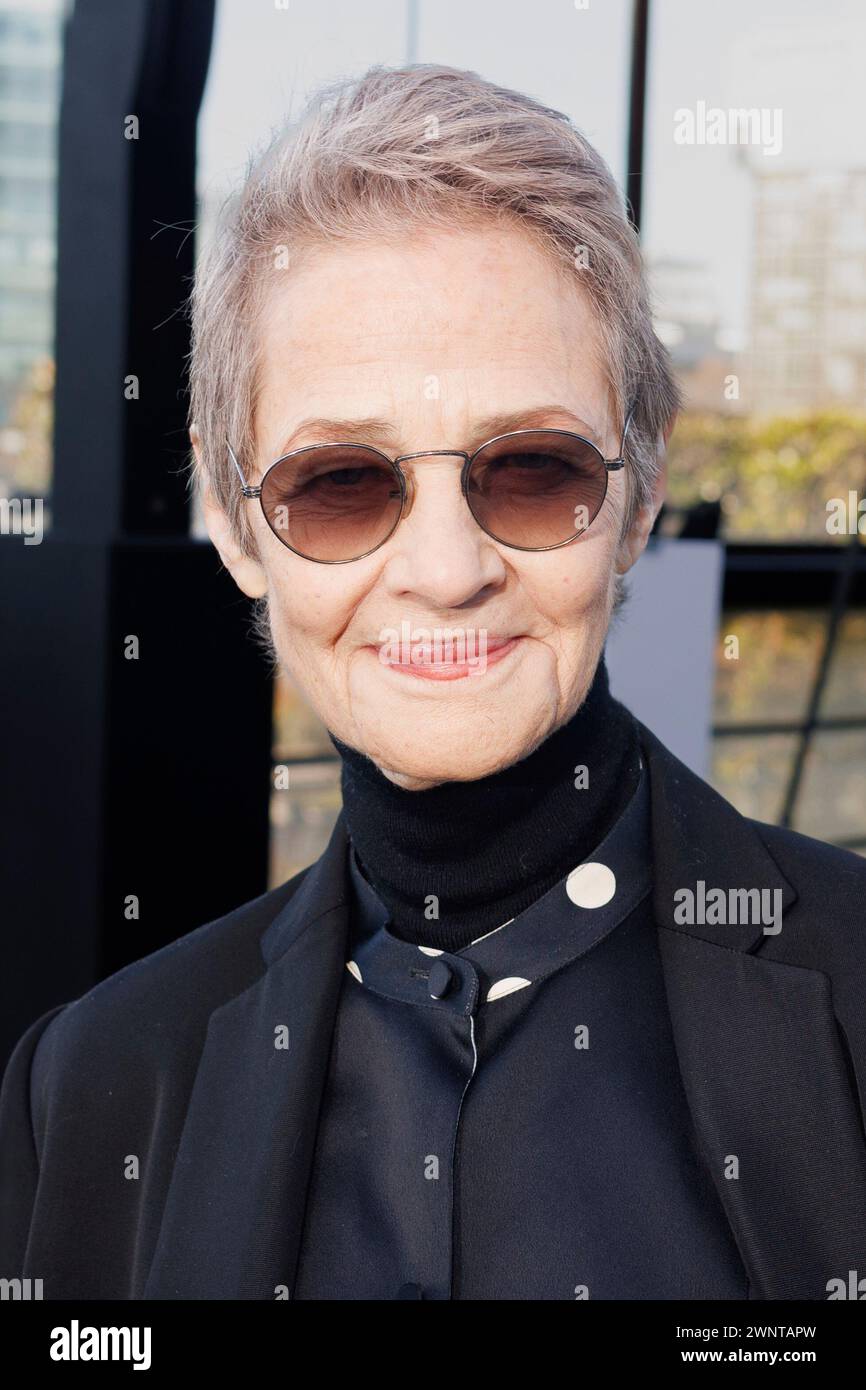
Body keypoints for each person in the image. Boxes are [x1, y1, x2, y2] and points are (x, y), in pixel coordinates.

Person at [2, 63, 865, 1302]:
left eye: (530, 470)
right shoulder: (89, 1087)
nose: (447, 571)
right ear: (234, 525)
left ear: (637, 496)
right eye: (340, 484)